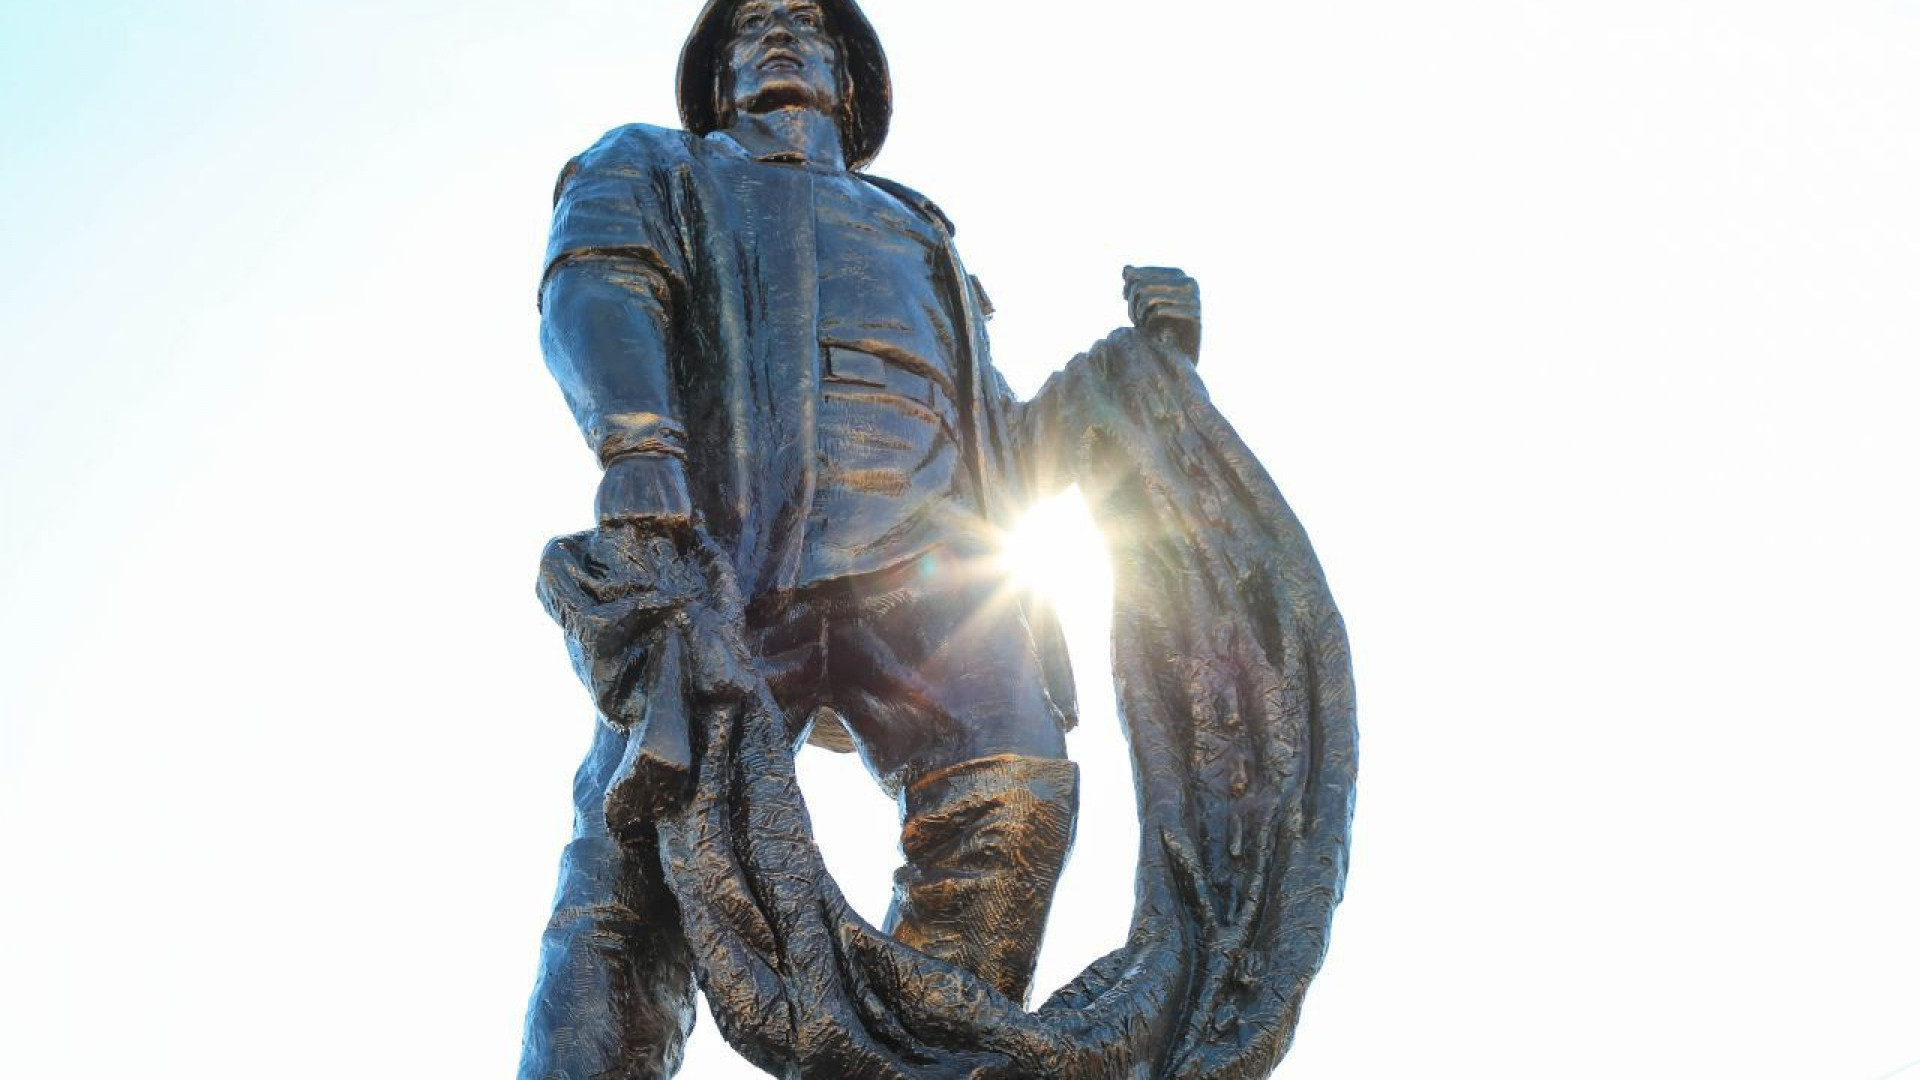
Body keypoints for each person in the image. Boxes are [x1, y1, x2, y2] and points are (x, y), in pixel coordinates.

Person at [520, 1, 1201, 1075]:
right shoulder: (660, 165)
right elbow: (597, 281)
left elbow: (999, 444)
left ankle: (916, 1060)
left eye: (806, 23)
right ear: (718, 79)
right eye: (753, 24)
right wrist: (638, 443)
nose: (779, 34)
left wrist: (1142, 371)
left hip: (936, 574)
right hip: (737, 554)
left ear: (850, 80)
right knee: (637, 849)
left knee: (1016, 795)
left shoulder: (921, 234)